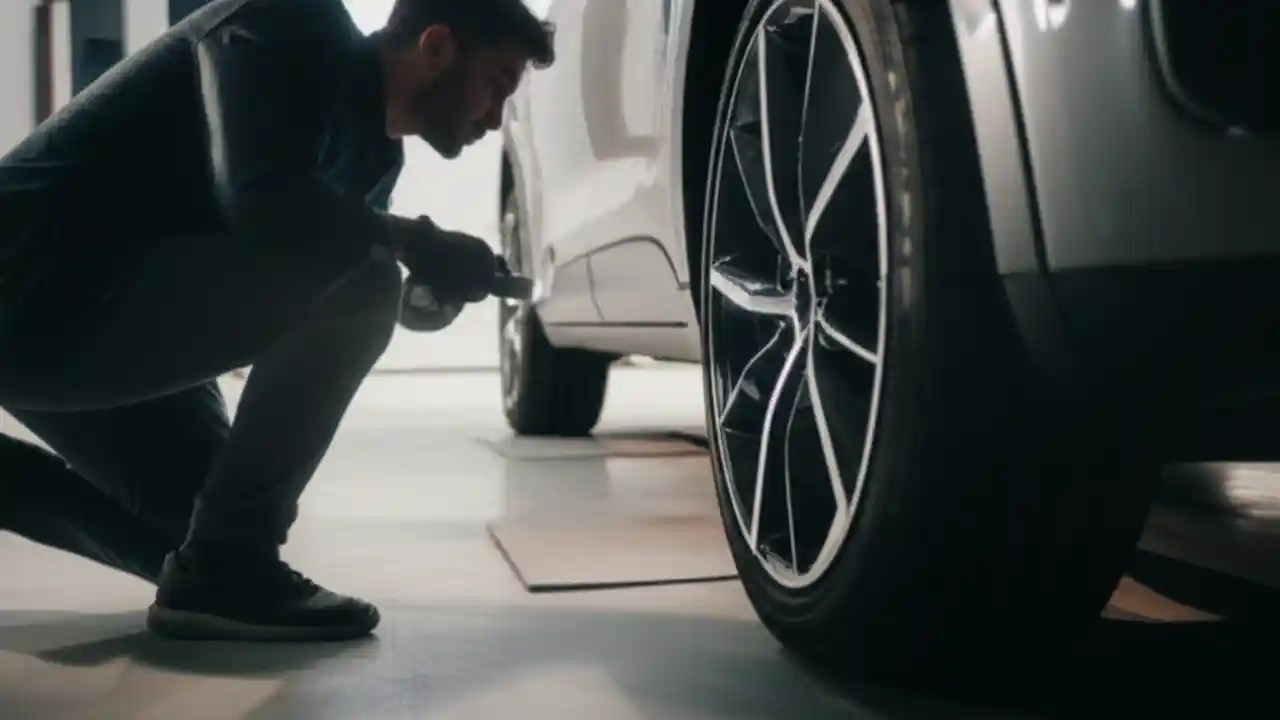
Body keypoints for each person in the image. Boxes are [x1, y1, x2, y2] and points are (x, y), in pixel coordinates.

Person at [0, 0, 553, 641]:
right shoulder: (289, 21)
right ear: (435, 47)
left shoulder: (375, 160)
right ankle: (222, 575)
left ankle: (208, 574)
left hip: (86, 320)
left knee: (201, 525)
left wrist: (428, 287)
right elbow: (262, 201)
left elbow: (302, 275)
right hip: (29, 287)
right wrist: (411, 245)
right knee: (361, 272)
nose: (494, 118)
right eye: (496, 87)